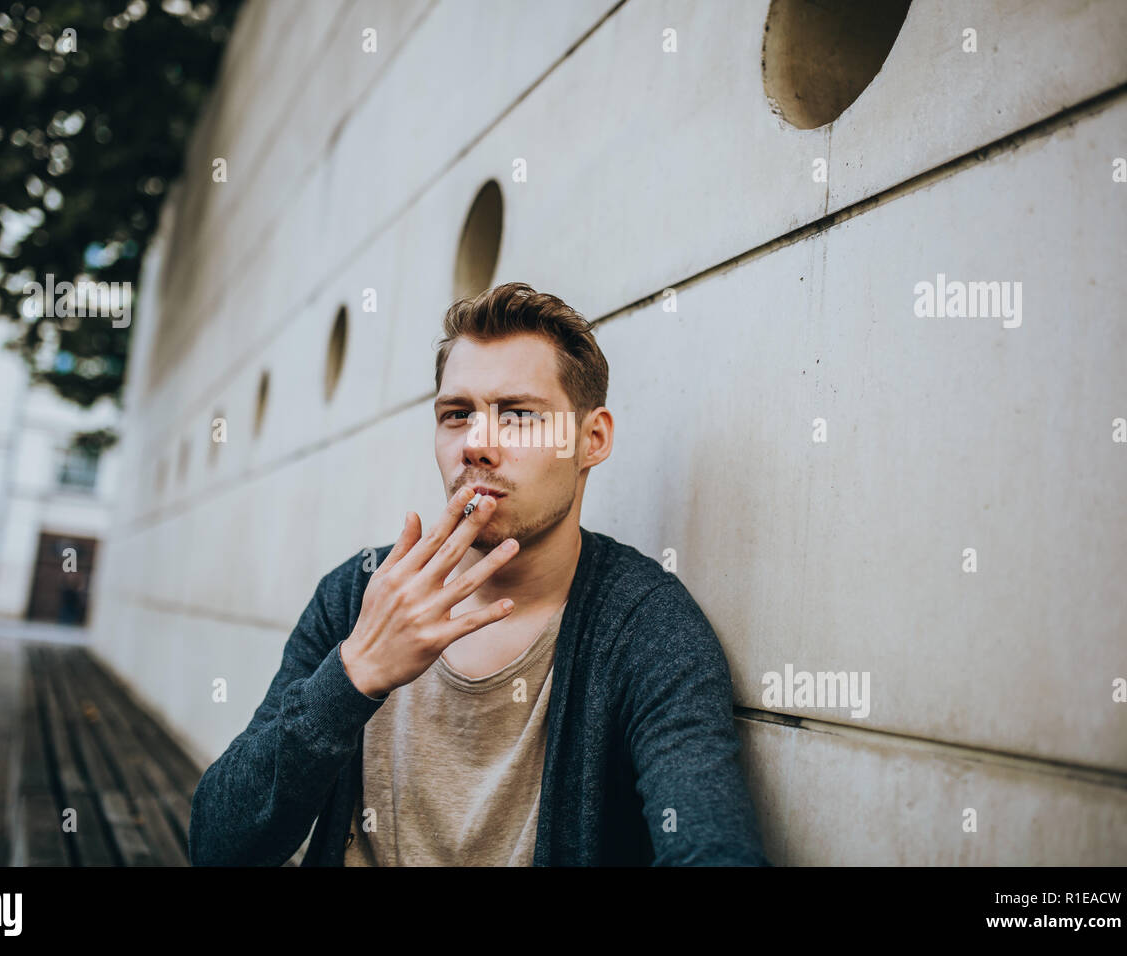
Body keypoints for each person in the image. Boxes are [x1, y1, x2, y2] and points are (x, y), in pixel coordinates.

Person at [189, 282, 768, 866]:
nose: (476, 445)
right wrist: (354, 674)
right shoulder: (358, 595)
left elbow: (710, 844)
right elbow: (218, 844)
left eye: (517, 415)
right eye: (457, 414)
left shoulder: (642, 627)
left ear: (591, 440)